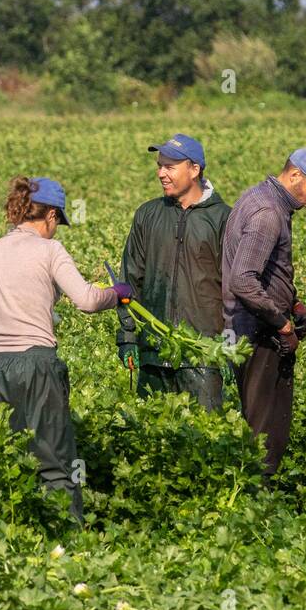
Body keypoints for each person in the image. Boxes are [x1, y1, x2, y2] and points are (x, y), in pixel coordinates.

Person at [0, 177, 131, 522]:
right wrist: (118, 292)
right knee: (55, 461)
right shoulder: (49, 251)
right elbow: (87, 300)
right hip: (35, 366)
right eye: (57, 222)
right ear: (49, 215)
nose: (56, 230)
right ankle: (67, 538)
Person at [221, 148, 306, 475]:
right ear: (294, 175)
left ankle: (256, 498)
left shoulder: (261, 199)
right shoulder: (268, 213)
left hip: (254, 329)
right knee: (265, 431)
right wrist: (283, 325)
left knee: (264, 426)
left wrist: (294, 304)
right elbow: (243, 281)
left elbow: (269, 272)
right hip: (258, 335)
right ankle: (255, 503)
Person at [117, 133, 230, 409]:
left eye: (170, 167)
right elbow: (129, 282)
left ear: (194, 170)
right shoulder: (147, 215)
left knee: (203, 441)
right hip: (153, 354)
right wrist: (128, 337)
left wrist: (230, 345)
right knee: (152, 440)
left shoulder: (223, 218)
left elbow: (234, 288)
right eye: (159, 166)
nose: (161, 174)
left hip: (202, 355)